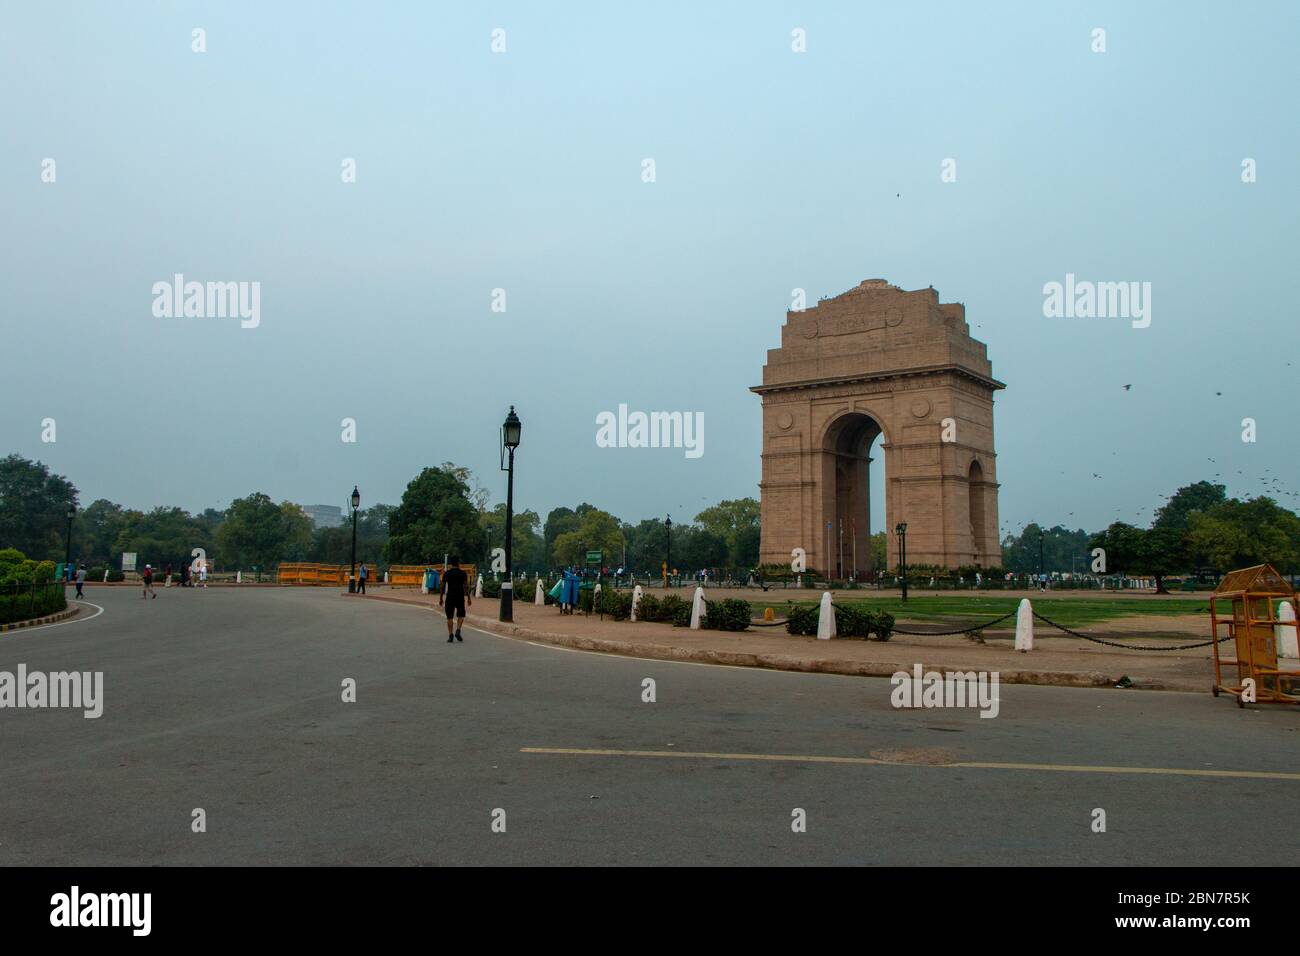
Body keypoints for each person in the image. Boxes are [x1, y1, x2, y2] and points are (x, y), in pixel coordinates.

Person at [438, 555, 470, 642]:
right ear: (458, 563)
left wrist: (441, 598)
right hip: (460, 596)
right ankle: (458, 630)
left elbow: (442, 586)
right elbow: (466, 586)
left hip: (450, 597)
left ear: (451, 564)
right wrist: (469, 598)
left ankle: (450, 634)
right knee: (461, 615)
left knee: (449, 617)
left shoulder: (447, 573)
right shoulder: (463, 573)